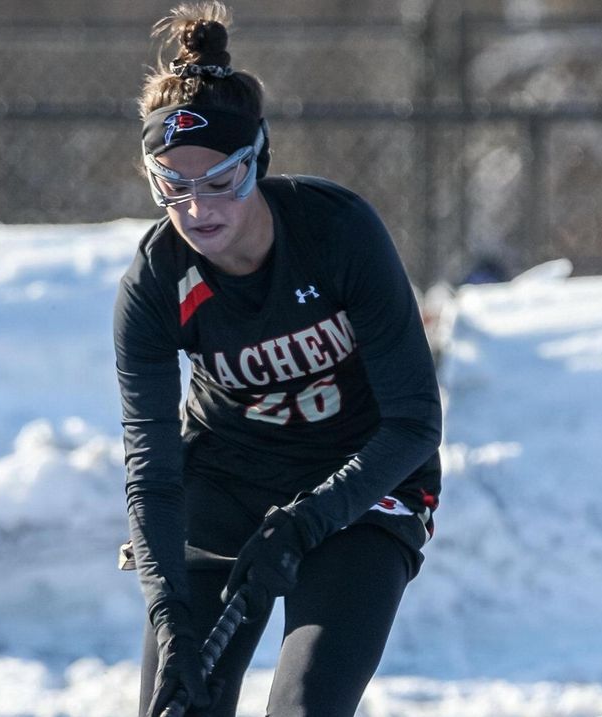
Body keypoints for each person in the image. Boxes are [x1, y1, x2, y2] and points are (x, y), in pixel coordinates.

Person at [113, 3, 442, 716]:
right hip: (229, 478)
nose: (198, 209)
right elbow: (153, 471)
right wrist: (171, 617)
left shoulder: (337, 232)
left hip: (360, 481)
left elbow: (415, 422)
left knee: (304, 705)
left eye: (220, 181)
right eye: (172, 185)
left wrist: (307, 519)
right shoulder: (154, 283)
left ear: (256, 158)